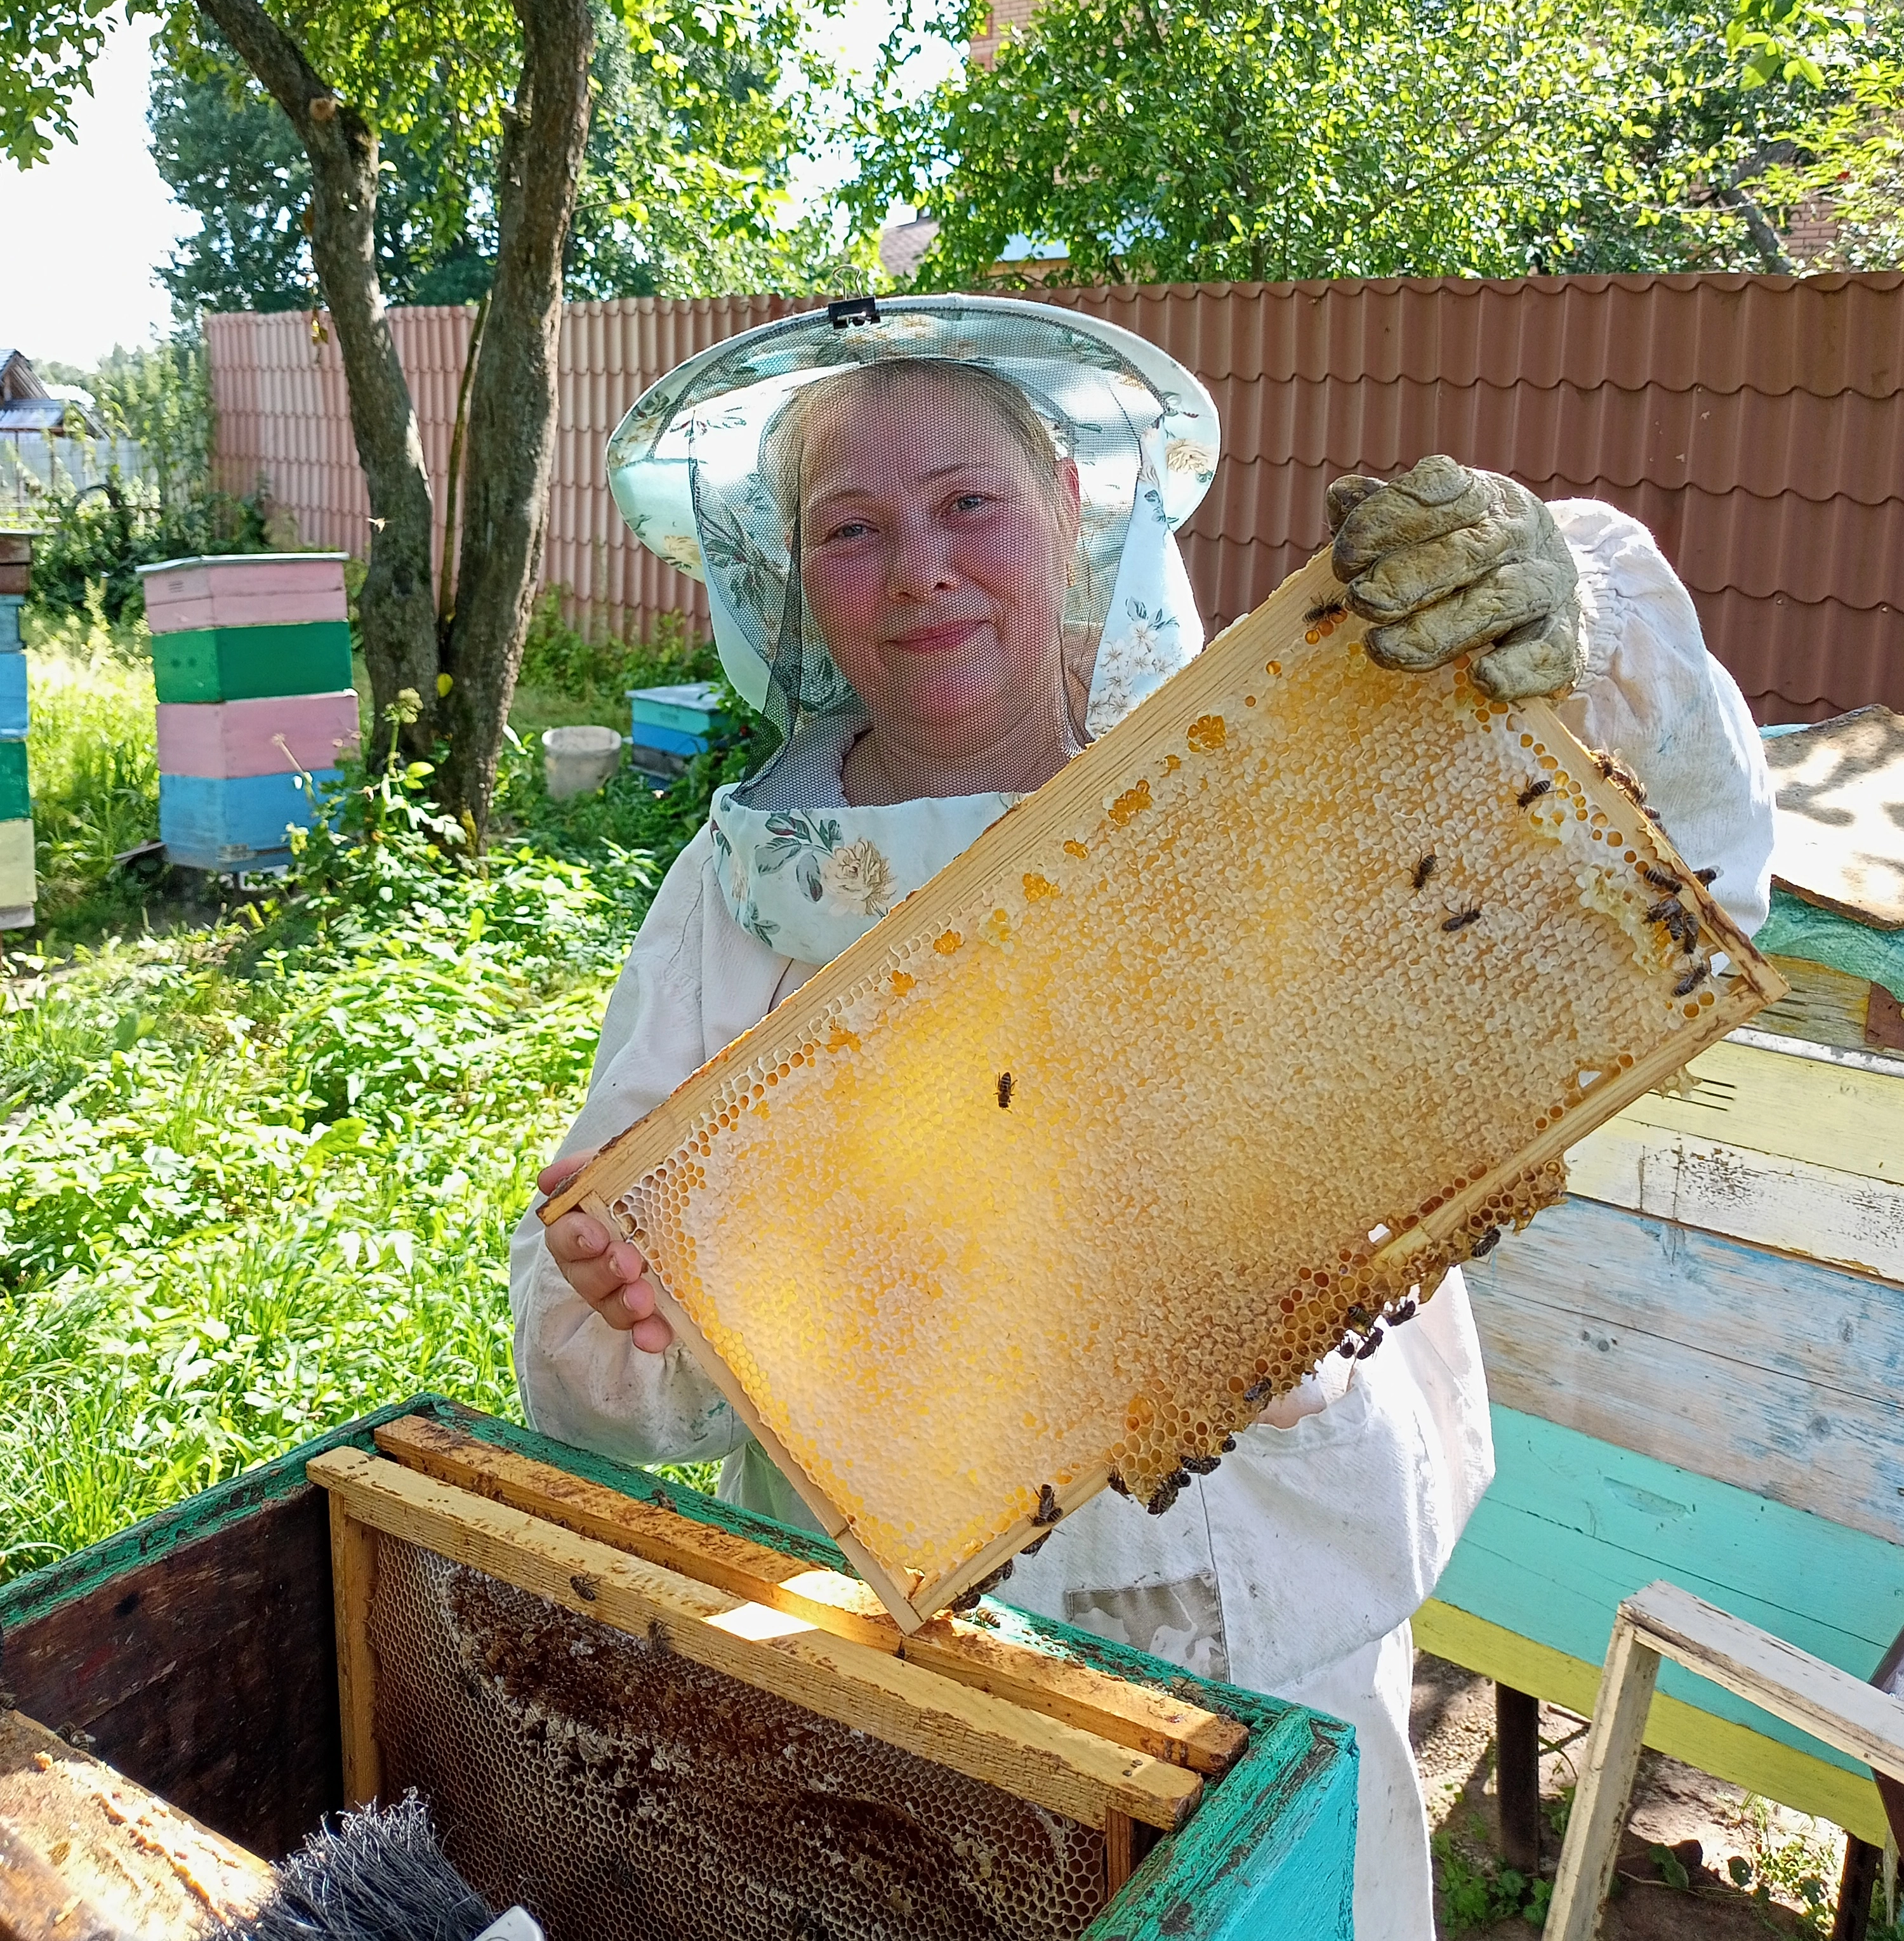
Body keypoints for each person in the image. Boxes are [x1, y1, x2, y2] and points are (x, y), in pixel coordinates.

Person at [510, 297, 1773, 1941]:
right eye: (851, 530)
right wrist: (627, 1301)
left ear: (1075, 507)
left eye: (969, 505)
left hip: (1297, 1655)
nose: (919, 573)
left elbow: (1687, 872)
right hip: (929, 1711)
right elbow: (610, 1354)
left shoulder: (1266, 762)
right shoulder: (738, 899)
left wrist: (1578, 613)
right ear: (787, 581)